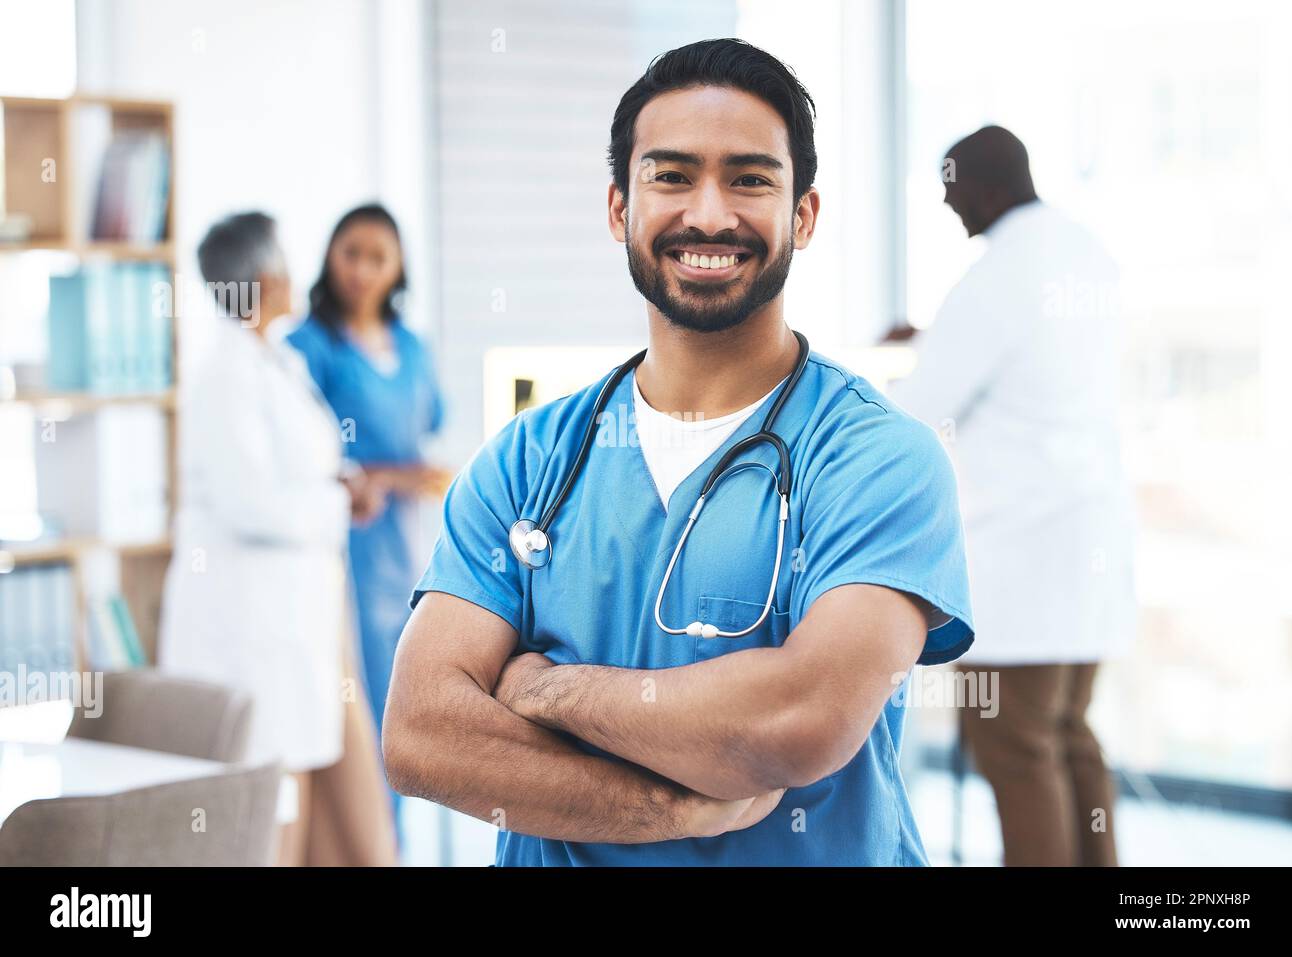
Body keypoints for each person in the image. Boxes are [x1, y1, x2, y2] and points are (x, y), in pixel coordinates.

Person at [383, 38, 975, 866]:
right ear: (620, 208)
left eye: (750, 178)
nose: (707, 214)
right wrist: (673, 807)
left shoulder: (878, 459)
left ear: (802, 214)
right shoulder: (529, 461)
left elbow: (800, 720)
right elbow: (421, 733)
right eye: (671, 175)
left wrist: (541, 686)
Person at [886, 126, 1136, 866]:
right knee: (1069, 736)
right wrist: (936, 333)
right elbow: (1042, 354)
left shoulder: (995, 275)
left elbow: (922, 407)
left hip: (1026, 555)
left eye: (951, 184)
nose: (945, 199)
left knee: (1018, 749)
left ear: (989, 185)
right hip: (1089, 547)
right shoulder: (1083, 250)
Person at [158, 212, 397, 866]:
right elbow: (250, 504)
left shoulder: (275, 360)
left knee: (316, 787)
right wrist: (336, 502)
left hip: (298, 621)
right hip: (250, 631)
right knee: (270, 812)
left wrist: (341, 481)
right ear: (265, 277)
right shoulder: (225, 375)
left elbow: (301, 465)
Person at [286, 204, 453, 845]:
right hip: (342, 548)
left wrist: (402, 477)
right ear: (330, 257)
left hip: (408, 547)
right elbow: (315, 459)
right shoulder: (307, 348)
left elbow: (429, 442)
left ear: (398, 268)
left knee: (411, 704)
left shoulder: (412, 348)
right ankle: (371, 847)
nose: (361, 270)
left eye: (377, 258)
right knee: (364, 705)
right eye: (349, 253)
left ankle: (393, 844)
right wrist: (386, 476)